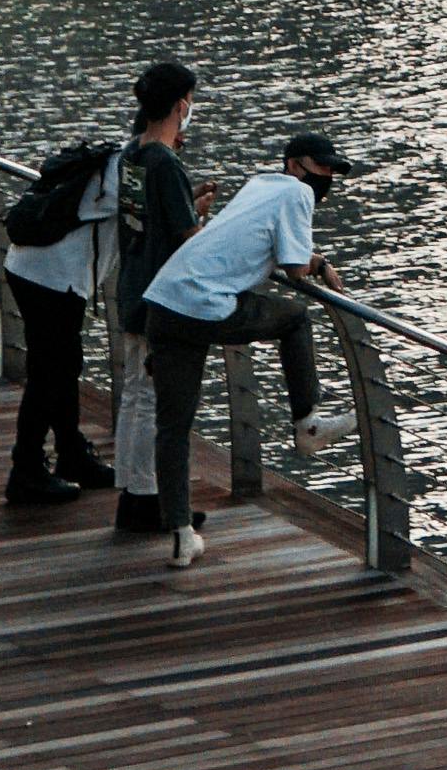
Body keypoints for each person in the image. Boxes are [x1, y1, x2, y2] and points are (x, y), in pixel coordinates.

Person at [137, 129, 345, 573]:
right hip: (206, 305)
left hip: (165, 302)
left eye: (333, 170)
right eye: (321, 167)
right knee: (295, 317)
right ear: (295, 165)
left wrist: (307, 258)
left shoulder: (259, 185)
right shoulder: (298, 193)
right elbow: (294, 267)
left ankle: (181, 536)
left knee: (173, 426)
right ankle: (308, 423)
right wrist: (321, 263)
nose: (326, 176)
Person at [0, 119, 120, 509]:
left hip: (30, 267)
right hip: (53, 277)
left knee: (62, 365)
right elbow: (160, 223)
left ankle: (71, 453)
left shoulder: (112, 160)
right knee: (50, 372)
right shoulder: (130, 172)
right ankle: (26, 470)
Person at [110, 58, 202, 535]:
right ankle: (150, 500)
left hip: (131, 285)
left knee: (133, 396)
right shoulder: (165, 163)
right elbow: (188, 237)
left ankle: (131, 491)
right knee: (151, 399)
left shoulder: (132, 154)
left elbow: (145, 218)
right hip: (158, 296)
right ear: (180, 104)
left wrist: (189, 206)